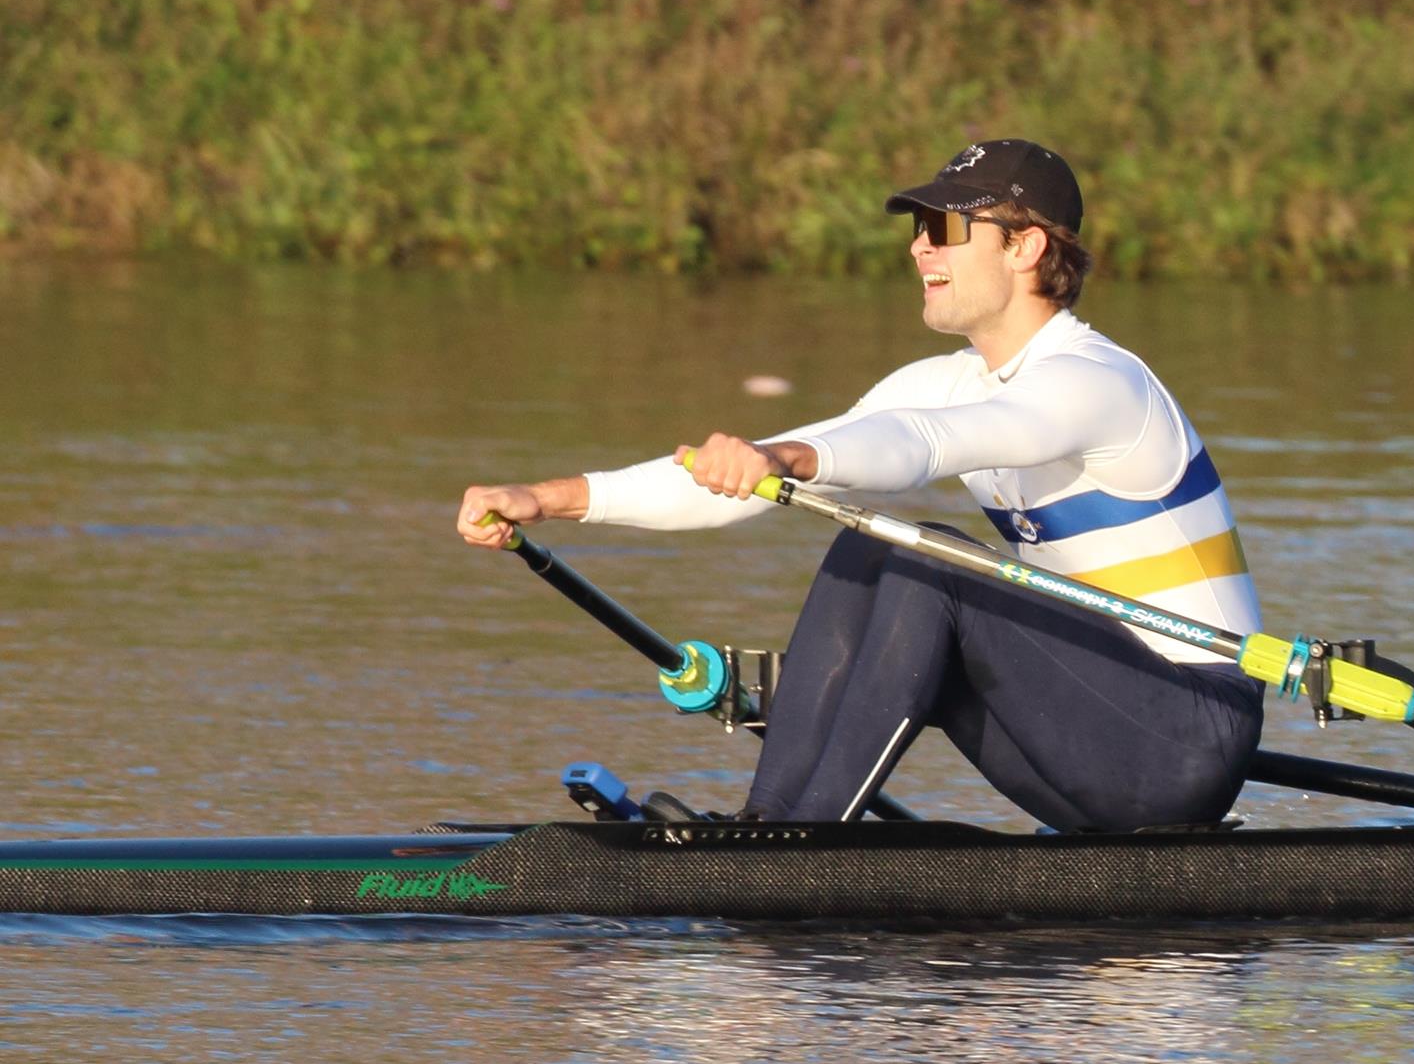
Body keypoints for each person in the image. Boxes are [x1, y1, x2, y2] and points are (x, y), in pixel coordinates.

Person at [459, 139, 1264, 830]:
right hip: (1087, 733)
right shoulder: (950, 381)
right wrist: (547, 499)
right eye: (920, 229)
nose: (920, 249)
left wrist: (781, 457)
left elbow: (919, 444)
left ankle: (807, 844)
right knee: (865, 549)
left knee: (926, 560)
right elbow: (775, 466)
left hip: (1189, 734)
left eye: (946, 228)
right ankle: (771, 823)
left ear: (1025, 247)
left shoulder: (1098, 382)